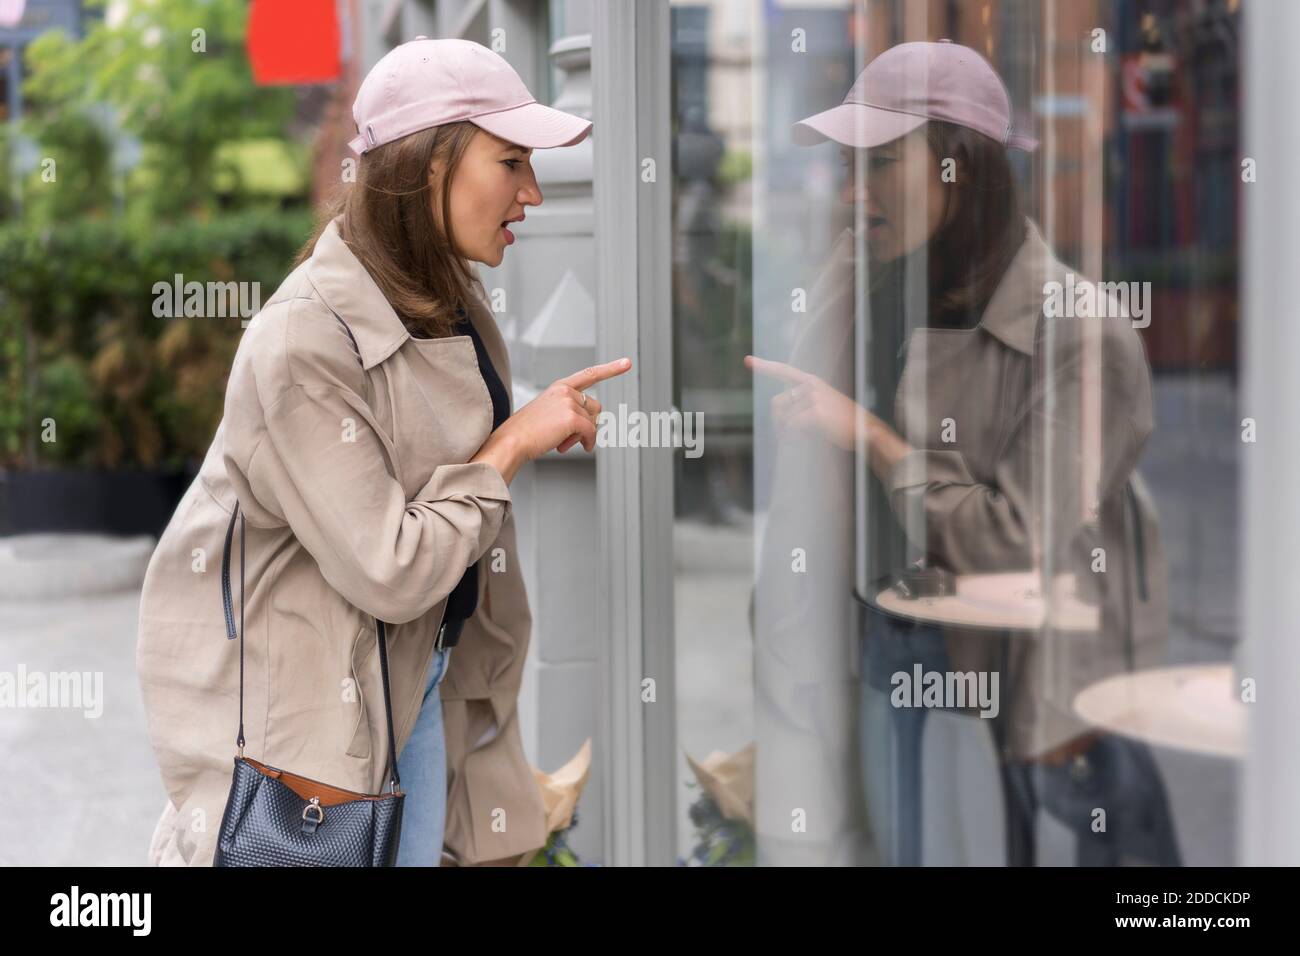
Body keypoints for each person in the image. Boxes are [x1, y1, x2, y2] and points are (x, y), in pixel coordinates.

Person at [137, 37, 630, 867]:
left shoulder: (451, 302)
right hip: (308, 752)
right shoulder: (302, 340)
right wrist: (512, 444)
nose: (533, 192)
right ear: (430, 166)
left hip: (414, 687)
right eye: (510, 162)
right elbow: (391, 569)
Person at [751, 40, 1178, 865]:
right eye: (848, 166)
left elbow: (1016, 538)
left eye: (879, 164)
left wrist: (873, 439)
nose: (854, 192)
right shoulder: (857, 286)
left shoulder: (1081, 332)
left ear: (961, 169)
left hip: (1023, 689)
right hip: (876, 646)